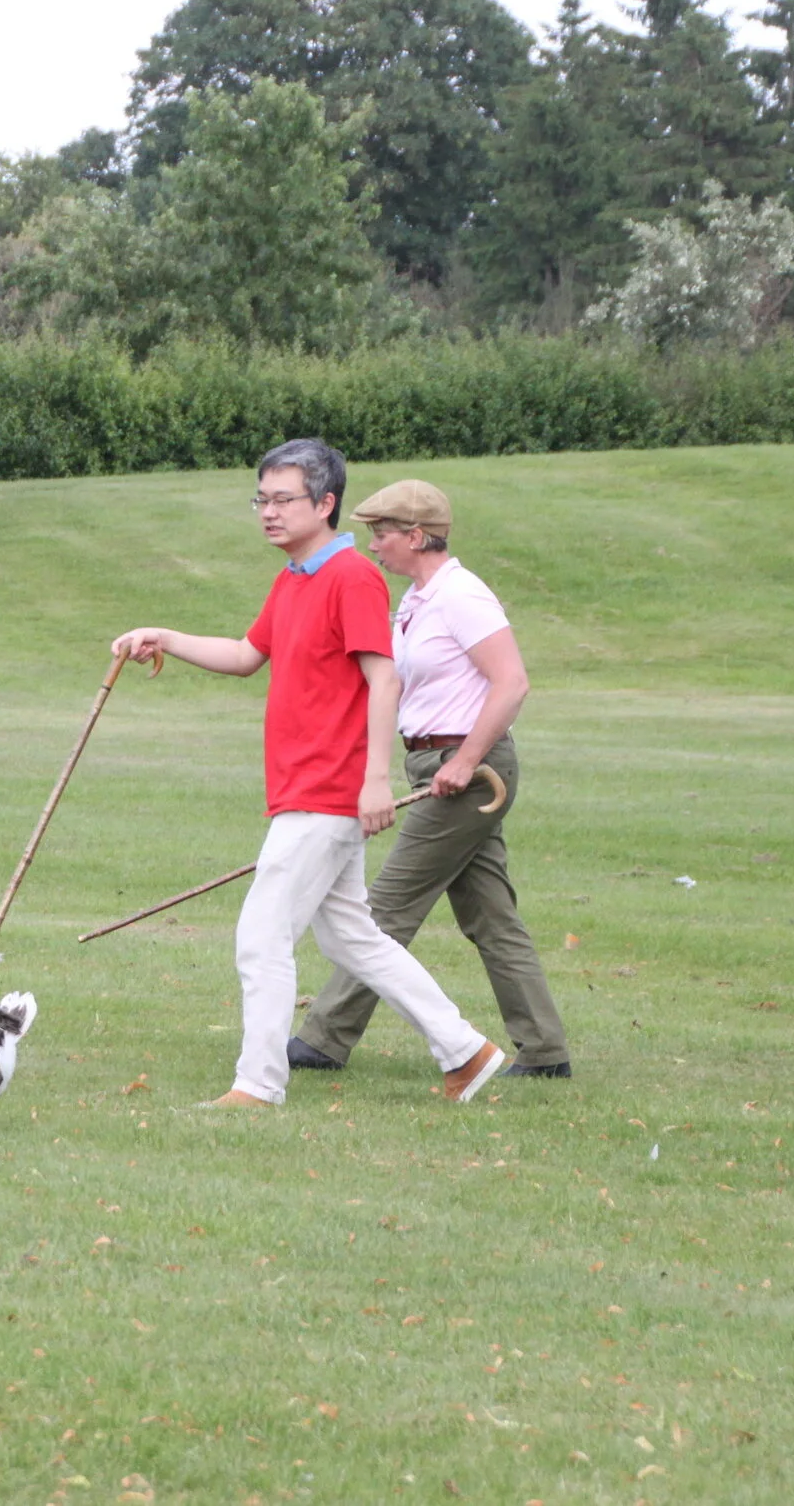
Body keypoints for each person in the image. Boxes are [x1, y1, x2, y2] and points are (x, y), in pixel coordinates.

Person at [110, 439, 505, 1109]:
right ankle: (465, 1050)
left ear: (325, 504)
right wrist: (163, 636)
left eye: (283, 499)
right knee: (352, 938)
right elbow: (245, 655)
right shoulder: (293, 578)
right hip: (301, 787)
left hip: (328, 790)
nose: (268, 511)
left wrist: (375, 779)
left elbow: (384, 679)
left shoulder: (352, 576)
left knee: (261, 936)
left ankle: (258, 1085)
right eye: (261, 499)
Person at [287, 480, 571, 1079]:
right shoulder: (419, 600)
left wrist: (463, 762)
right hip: (435, 764)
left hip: (471, 770)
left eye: (382, 534)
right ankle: (545, 1052)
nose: (373, 545)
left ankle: (323, 1039)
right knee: (490, 916)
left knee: (387, 906)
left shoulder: (462, 596)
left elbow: (512, 683)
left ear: (416, 537)